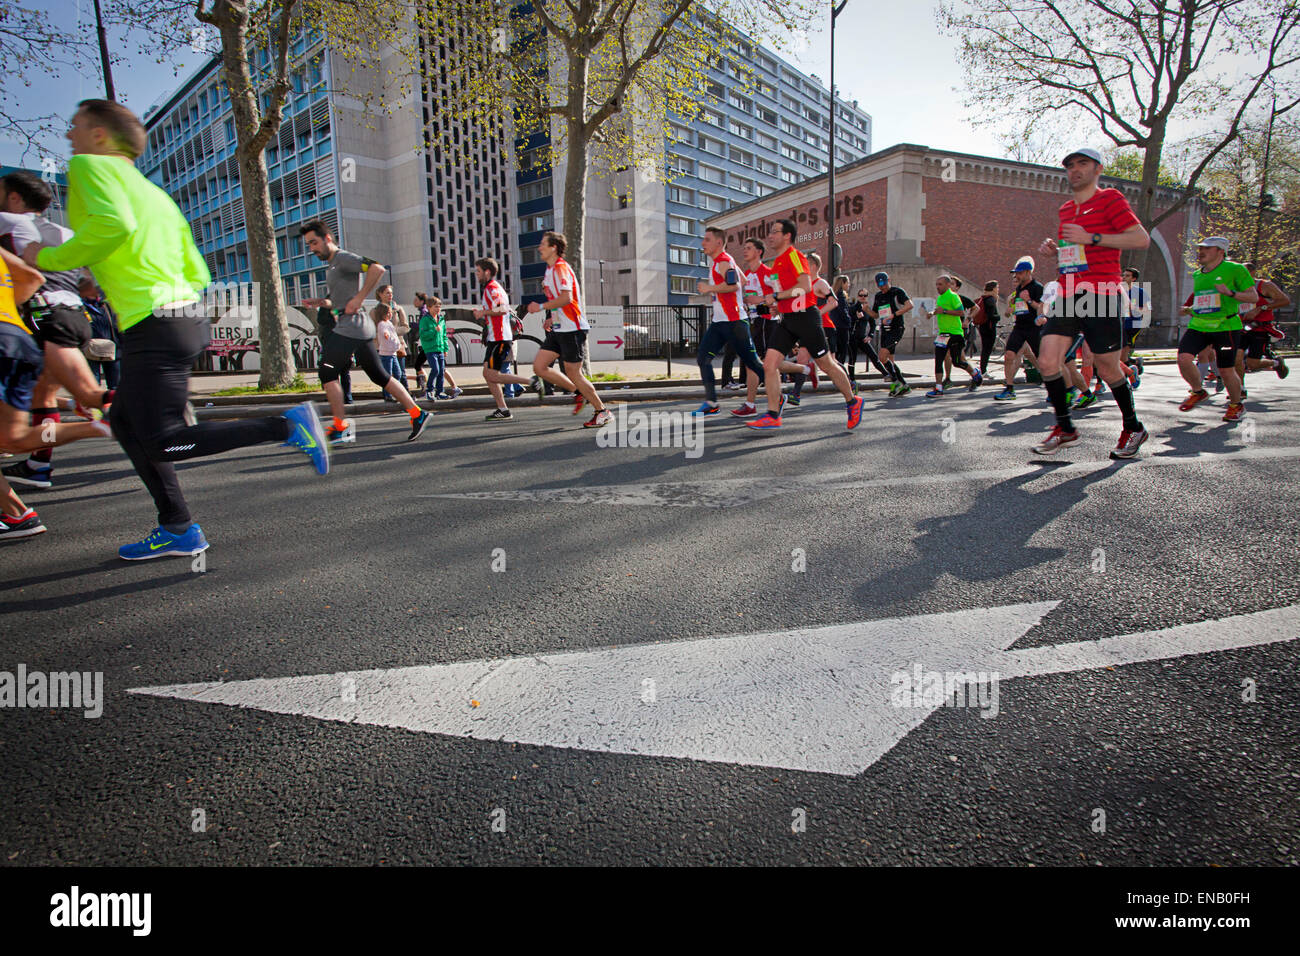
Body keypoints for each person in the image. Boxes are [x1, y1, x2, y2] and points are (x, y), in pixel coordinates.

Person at [21, 100, 329, 558]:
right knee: (125, 422)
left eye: (77, 127)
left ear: (101, 135)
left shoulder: (88, 166)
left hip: (153, 322)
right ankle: (178, 527)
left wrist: (43, 259)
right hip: (184, 315)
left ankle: (284, 425)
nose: (69, 136)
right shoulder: (153, 193)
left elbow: (112, 225)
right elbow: (195, 267)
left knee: (165, 441)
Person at [1031, 147, 1150, 458]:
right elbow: (1077, 252)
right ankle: (1066, 428)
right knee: (1046, 360)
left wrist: (1092, 237)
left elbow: (1140, 239)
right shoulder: (1066, 209)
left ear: (1097, 169)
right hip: (1070, 295)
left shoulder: (1110, 199)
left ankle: (1133, 427)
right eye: (1070, 165)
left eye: (1082, 164)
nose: (1074, 170)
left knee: (1109, 370)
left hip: (1101, 295)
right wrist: (1056, 250)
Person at [0, 169, 112, 490]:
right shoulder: (62, 231)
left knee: (90, 396)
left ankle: (151, 413)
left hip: (45, 317)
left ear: (15, 198)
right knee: (44, 399)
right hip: (74, 316)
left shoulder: (10, 222)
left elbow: (28, 274)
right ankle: (38, 463)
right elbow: (90, 283)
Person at [1, 246, 111, 539]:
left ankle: (102, 426)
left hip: (22, 334)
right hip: (18, 334)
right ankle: (20, 505)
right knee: (22, 423)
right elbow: (30, 278)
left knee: (13, 436)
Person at [299, 219, 431, 443]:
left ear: (327, 238)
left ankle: (341, 427)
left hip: (350, 329)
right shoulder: (332, 265)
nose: (312, 249)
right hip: (357, 329)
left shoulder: (342, 258)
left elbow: (376, 268)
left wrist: (360, 297)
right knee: (380, 375)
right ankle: (418, 414)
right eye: (308, 245)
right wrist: (321, 302)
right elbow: (341, 302)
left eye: (314, 243)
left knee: (327, 372)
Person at [745, 218, 863, 431]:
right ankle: (773, 413)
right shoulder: (777, 264)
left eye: (775, 232)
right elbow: (788, 295)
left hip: (807, 319)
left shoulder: (795, 256)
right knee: (769, 364)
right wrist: (776, 305)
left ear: (787, 236)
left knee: (827, 365)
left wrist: (777, 295)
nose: (770, 236)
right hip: (788, 320)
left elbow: (805, 286)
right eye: (770, 232)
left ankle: (853, 401)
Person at [526, 231, 612, 429]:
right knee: (539, 367)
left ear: (553, 247)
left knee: (575, 373)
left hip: (573, 329)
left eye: (543, 244)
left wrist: (540, 307)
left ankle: (602, 411)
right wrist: (550, 318)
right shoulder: (549, 271)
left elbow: (567, 298)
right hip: (559, 328)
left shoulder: (561, 268)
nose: (539, 248)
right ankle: (579, 391)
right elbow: (557, 301)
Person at [1175, 236, 1257, 422]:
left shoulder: (1235, 269)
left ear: (1221, 252)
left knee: (1226, 369)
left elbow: (1253, 298)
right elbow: (1204, 300)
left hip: (1225, 326)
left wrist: (1230, 293)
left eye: (1207, 248)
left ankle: (1236, 405)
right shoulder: (1198, 274)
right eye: (1200, 248)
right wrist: (1190, 309)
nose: (1201, 252)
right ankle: (1198, 391)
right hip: (1199, 325)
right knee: (1183, 358)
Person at [691, 226, 765, 417]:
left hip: (734, 322)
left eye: (707, 239)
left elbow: (733, 285)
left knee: (753, 363)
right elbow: (742, 280)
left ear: (718, 242)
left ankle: (778, 395)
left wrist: (709, 288)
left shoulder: (723, 261)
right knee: (703, 358)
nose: (703, 243)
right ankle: (711, 403)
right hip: (720, 322)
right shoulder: (722, 261)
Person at [472, 257, 531, 421]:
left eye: (478, 271)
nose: (476, 275)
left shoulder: (491, 288)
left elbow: (503, 309)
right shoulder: (492, 287)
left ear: (487, 272)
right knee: (487, 374)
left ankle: (532, 381)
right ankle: (503, 409)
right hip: (495, 338)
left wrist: (482, 313)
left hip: (500, 339)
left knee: (494, 375)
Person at [995, 258, 1046, 402]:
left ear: (1028, 272)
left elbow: (1043, 309)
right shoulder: (1019, 289)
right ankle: (1009, 389)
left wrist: (1029, 300)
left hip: (1034, 328)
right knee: (1009, 355)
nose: (1017, 276)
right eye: (1015, 273)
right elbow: (1019, 307)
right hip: (1019, 327)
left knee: (1043, 361)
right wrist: (1014, 307)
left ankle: (1053, 388)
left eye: (1019, 273)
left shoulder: (1037, 287)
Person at [926, 275, 982, 396]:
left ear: (947, 284)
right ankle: (938, 388)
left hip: (955, 334)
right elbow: (938, 310)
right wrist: (932, 313)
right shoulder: (940, 298)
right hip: (943, 334)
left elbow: (961, 312)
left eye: (940, 284)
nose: (937, 287)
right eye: (936, 284)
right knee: (938, 359)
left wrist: (945, 312)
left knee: (957, 362)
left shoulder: (953, 296)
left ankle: (975, 373)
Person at [1236, 262, 1289, 382]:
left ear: (1252, 273)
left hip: (1259, 329)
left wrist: (1261, 308)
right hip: (1240, 328)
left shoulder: (1264, 285)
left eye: (1243, 272)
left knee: (1252, 364)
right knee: (1236, 358)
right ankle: (1240, 390)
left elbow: (1285, 300)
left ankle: (1276, 363)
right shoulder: (1235, 288)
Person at [869, 271, 912, 397]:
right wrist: (866, 310)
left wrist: (894, 315)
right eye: (880, 285)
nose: (883, 287)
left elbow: (910, 305)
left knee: (882, 356)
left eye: (885, 283)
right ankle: (902, 386)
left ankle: (898, 382)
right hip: (885, 329)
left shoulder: (897, 292)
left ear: (889, 280)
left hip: (896, 328)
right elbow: (876, 314)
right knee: (889, 361)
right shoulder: (878, 296)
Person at [80, 276, 119, 389]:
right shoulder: (81, 305)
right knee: (93, 385)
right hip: (89, 349)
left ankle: (114, 405)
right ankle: (96, 405)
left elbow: (116, 324)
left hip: (112, 348)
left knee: (115, 385)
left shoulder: (106, 304)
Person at [377, 284, 415, 392]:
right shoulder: (376, 310)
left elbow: (406, 327)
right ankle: (388, 395)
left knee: (401, 373)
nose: (390, 295)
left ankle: (406, 394)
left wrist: (393, 331)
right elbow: (373, 329)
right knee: (386, 374)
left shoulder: (398, 309)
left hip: (398, 345)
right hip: (383, 347)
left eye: (391, 293)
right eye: (387, 293)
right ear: (380, 294)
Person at [1119, 267, 1148, 383]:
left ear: (1134, 278)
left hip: (1132, 325)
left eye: (1127, 275)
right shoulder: (1118, 291)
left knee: (1123, 353)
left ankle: (1124, 381)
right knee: (1117, 355)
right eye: (1123, 275)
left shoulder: (1140, 292)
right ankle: (1135, 363)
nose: (1124, 277)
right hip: (1119, 324)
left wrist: (1133, 307)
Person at [976, 280, 1000, 377]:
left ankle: (983, 370)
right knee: (987, 349)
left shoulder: (984, 298)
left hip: (983, 326)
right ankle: (983, 370)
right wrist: (998, 317)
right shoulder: (991, 299)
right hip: (989, 327)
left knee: (985, 348)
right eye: (997, 288)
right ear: (993, 289)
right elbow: (991, 315)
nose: (998, 290)